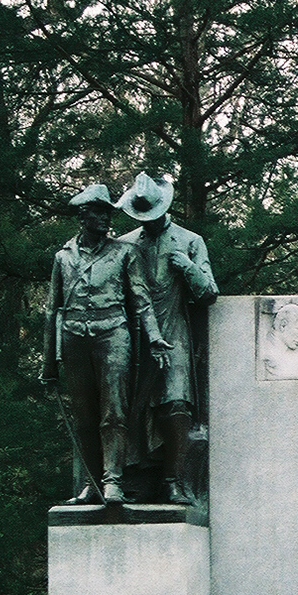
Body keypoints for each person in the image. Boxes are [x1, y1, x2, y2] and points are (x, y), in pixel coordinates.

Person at [43, 184, 170, 505]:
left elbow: (141, 301)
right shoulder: (63, 257)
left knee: (113, 412)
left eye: (108, 213)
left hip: (113, 334)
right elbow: (51, 309)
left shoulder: (123, 253)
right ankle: (91, 484)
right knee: (84, 416)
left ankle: (113, 480)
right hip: (74, 339)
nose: (105, 219)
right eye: (99, 212)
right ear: (84, 216)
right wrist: (48, 362)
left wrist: (154, 337)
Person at [115, 172, 217, 503]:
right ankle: (132, 480)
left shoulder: (190, 241)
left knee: (176, 404)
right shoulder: (125, 244)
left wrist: (186, 266)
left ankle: (174, 480)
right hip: (135, 336)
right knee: (129, 407)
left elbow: (209, 292)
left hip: (175, 331)